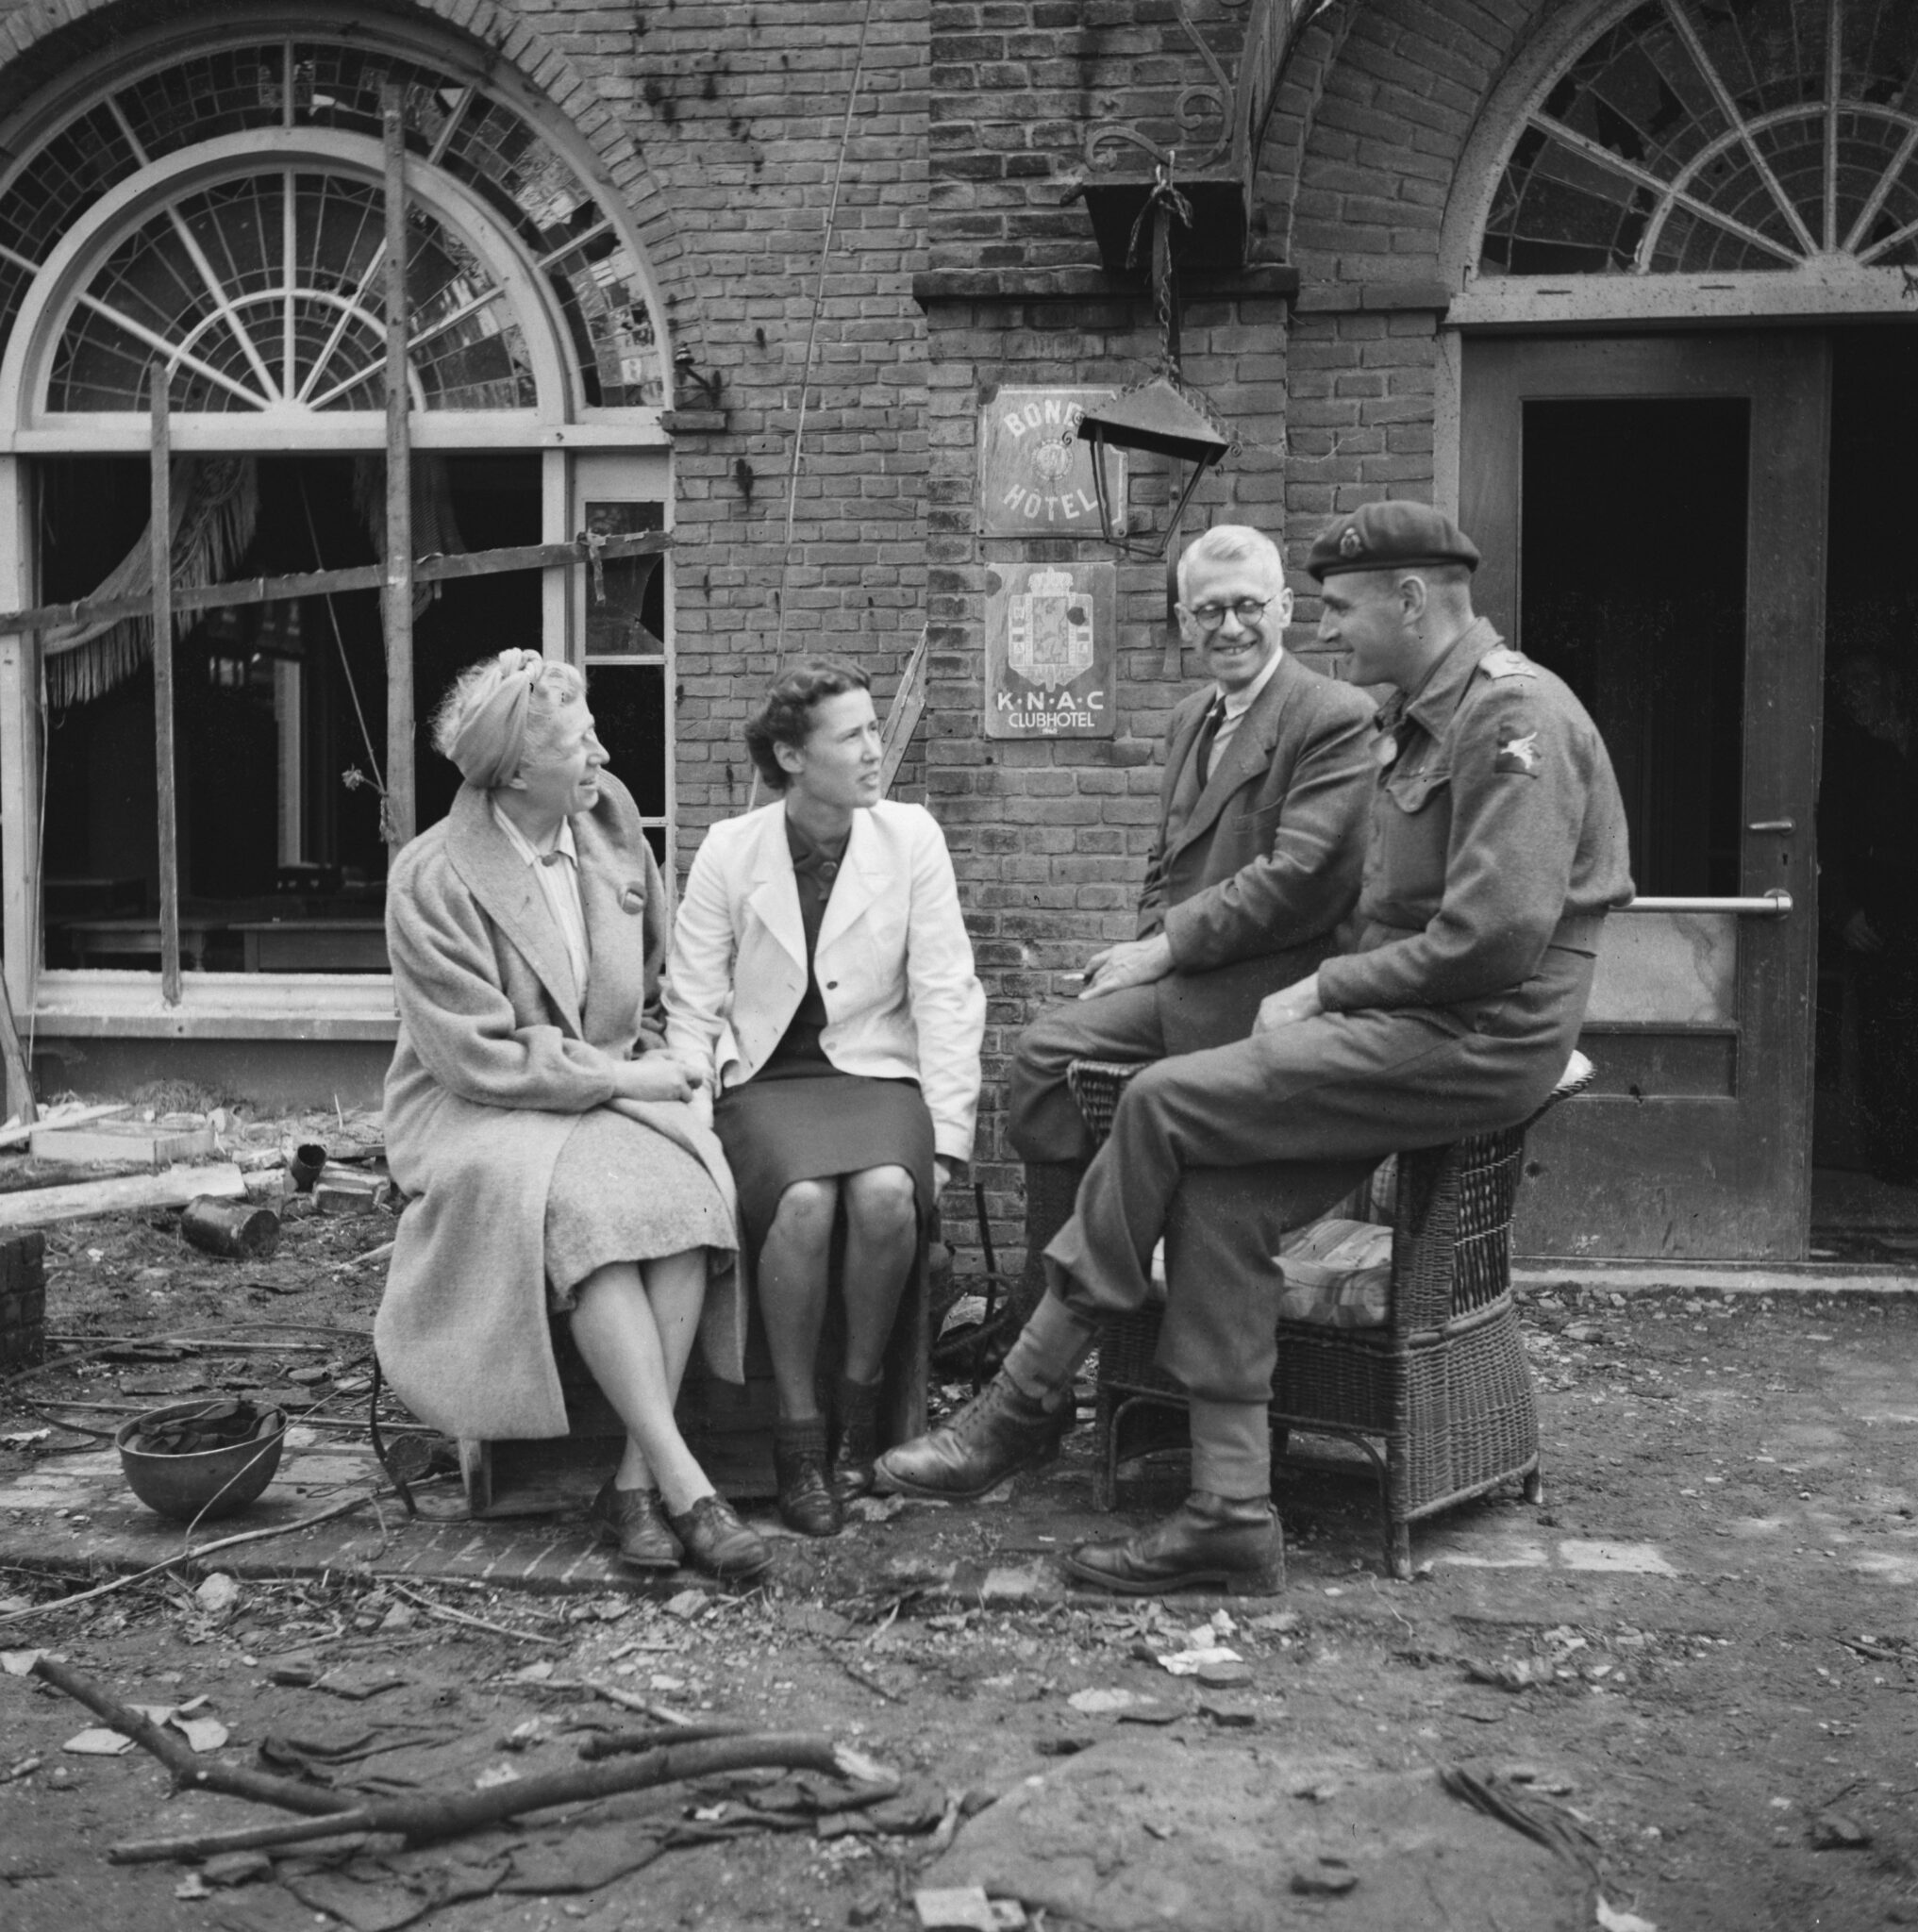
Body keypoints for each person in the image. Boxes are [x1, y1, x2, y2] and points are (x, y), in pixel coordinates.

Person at [878, 501, 1634, 1595]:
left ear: (1411, 598)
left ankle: (1025, 1398)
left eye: (1338, 608)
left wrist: (1324, 987)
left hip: (1469, 1036)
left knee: (1160, 1103)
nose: (1329, 633)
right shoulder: (1421, 715)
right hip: (1406, 1024)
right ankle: (1229, 1515)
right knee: (1217, 1200)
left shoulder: (1509, 715)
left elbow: (1493, 940)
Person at [375, 650, 770, 1582]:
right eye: (576, 740)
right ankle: (690, 1487)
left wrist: (673, 1057)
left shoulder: (607, 822)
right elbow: (482, 1055)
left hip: (602, 1088)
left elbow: (663, 971)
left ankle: (636, 1483)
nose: (600, 748)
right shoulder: (428, 878)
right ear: (514, 772)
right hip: (478, 1106)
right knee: (593, 1217)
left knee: (687, 1207)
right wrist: (626, 1085)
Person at [1000, 523, 1375, 1337]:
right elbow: (1163, 860)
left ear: (1284, 608)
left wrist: (1160, 950)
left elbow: (1300, 880)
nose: (1229, 628)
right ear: (1180, 617)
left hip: (1268, 994)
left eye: (1247, 607)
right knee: (1045, 1066)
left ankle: (1055, 1314)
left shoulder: (1334, 716)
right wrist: (1145, 946)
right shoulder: (1188, 719)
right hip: (1187, 980)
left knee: (1049, 1056)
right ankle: (1078, 1298)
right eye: (1208, 611)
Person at [664, 658, 986, 1538]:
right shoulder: (731, 851)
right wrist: (692, 1122)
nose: (874, 749)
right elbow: (691, 1003)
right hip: (769, 1082)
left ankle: (856, 1422)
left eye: (874, 728)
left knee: (887, 1197)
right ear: (791, 757)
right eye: (851, 735)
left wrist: (948, 1139)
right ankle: (796, 1441)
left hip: (876, 1074)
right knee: (802, 1205)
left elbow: (947, 990)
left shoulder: (910, 837)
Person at [1821, 650, 1918, 1183]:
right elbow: (1827, 836)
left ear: (1892, 683)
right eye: (1844, 684)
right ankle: (1893, 1160)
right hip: (1878, 901)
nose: (1852, 693)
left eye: (1863, 680)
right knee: (1886, 1032)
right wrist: (1843, 910)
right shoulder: (1848, 753)